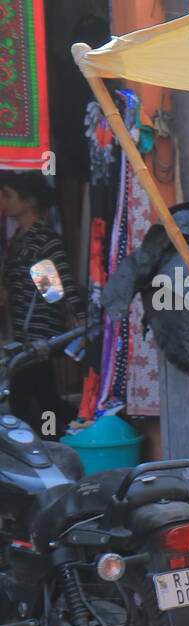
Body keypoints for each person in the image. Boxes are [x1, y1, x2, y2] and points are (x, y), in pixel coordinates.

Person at [0, 172, 84, 434]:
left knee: (23, 396)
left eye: (8, 195)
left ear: (29, 201)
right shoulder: (20, 239)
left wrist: (79, 319)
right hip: (27, 331)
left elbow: (57, 288)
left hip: (39, 332)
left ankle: (53, 443)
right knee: (43, 395)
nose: (4, 201)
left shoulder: (42, 238)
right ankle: (68, 435)